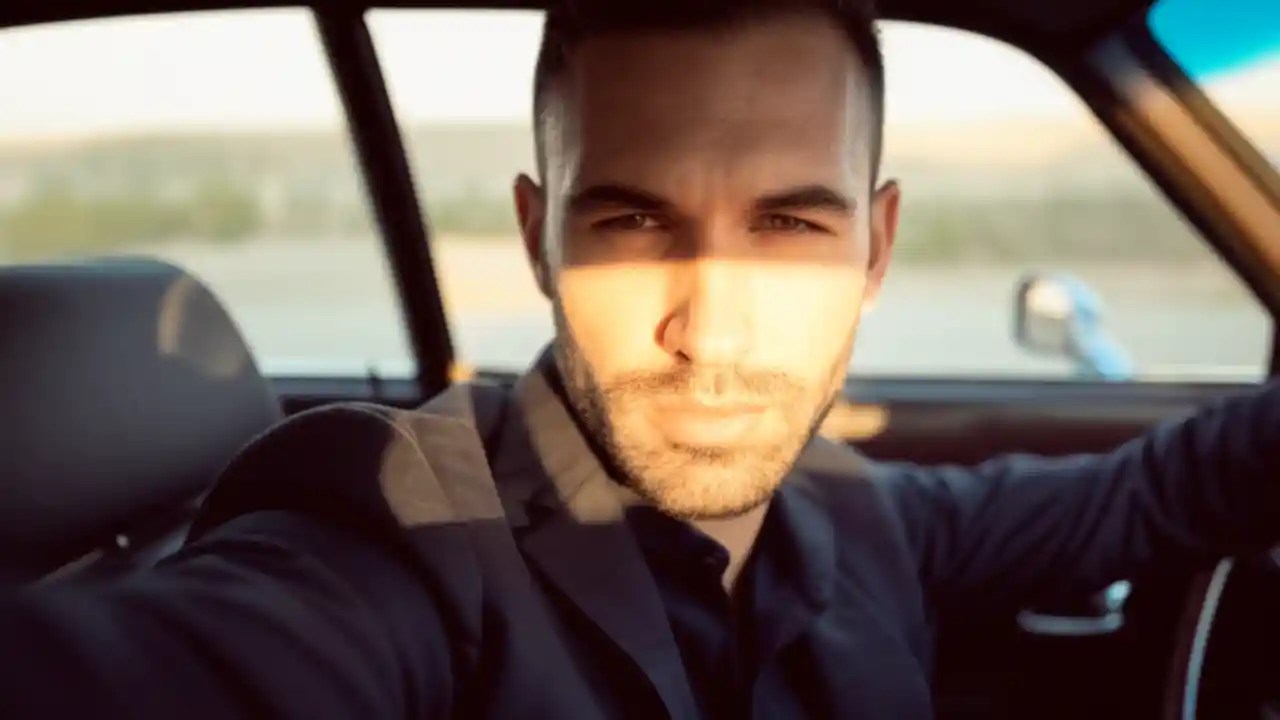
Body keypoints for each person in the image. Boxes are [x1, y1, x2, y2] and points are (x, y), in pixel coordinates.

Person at [3, 1, 1278, 718]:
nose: (711, 330)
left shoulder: (851, 508)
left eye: (788, 225)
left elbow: (1154, 494)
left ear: (876, 247)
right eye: (631, 223)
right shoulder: (392, 536)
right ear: (537, 235)